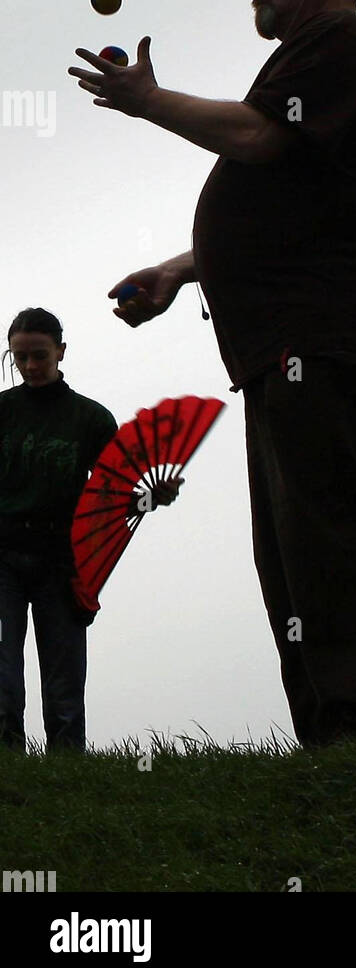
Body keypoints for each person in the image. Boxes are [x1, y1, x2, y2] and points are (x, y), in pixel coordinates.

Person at [67, 0, 356, 746]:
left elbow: (260, 137)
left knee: (333, 534)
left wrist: (150, 101)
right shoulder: (314, 56)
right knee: (294, 551)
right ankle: (334, 739)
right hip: (288, 343)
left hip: (328, 332)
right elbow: (300, 193)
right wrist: (185, 268)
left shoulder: (344, 37)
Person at [0, 308, 179, 752]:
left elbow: (115, 493)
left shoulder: (91, 419)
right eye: (20, 357)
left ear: (61, 352)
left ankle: (66, 768)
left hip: (62, 559)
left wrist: (152, 496)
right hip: (2, 554)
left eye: (39, 355)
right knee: (2, 675)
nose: (30, 367)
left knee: (64, 680)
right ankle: (9, 767)